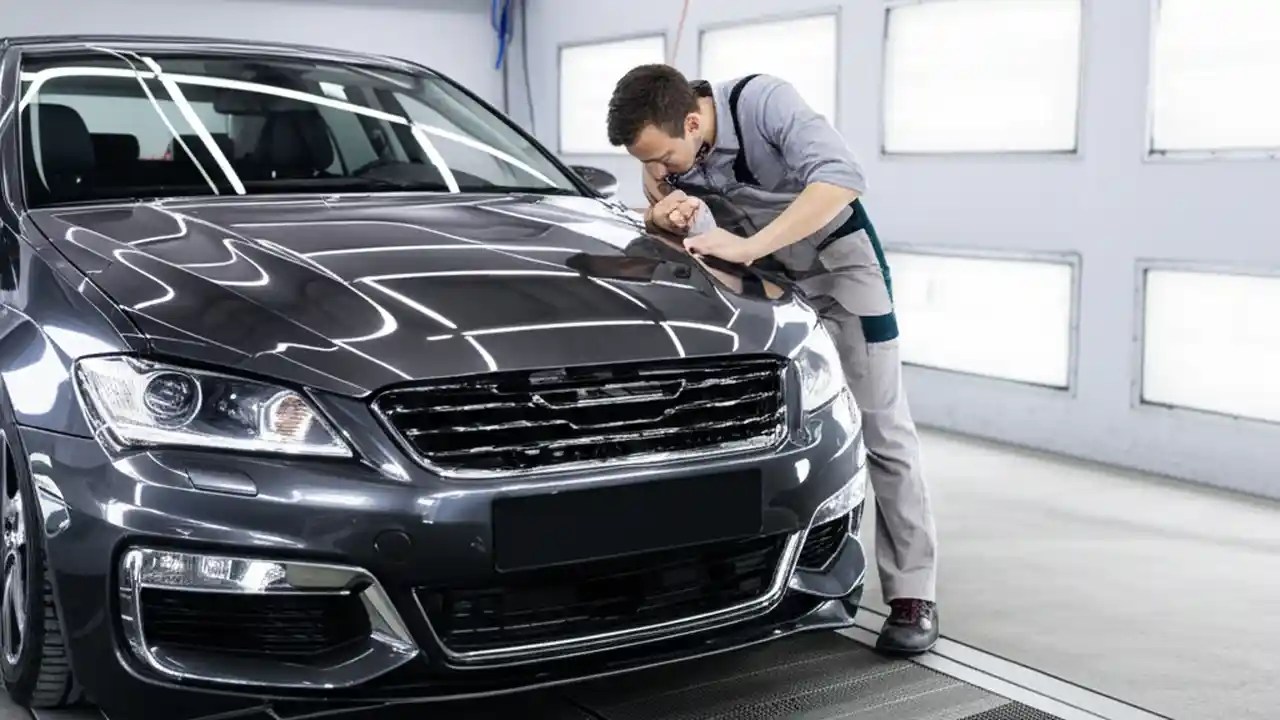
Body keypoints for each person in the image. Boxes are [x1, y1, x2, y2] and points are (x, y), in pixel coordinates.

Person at [605, 64, 940, 655]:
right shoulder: (662, 147)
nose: (656, 171)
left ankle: (913, 595)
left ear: (691, 120)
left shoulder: (765, 102)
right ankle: (761, 575)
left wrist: (750, 245)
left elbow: (841, 178)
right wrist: (656, 218)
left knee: (881, 428)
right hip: (761, 282)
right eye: (645, 161)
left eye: (663, 158)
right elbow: (674, 224)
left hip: (841, 268)